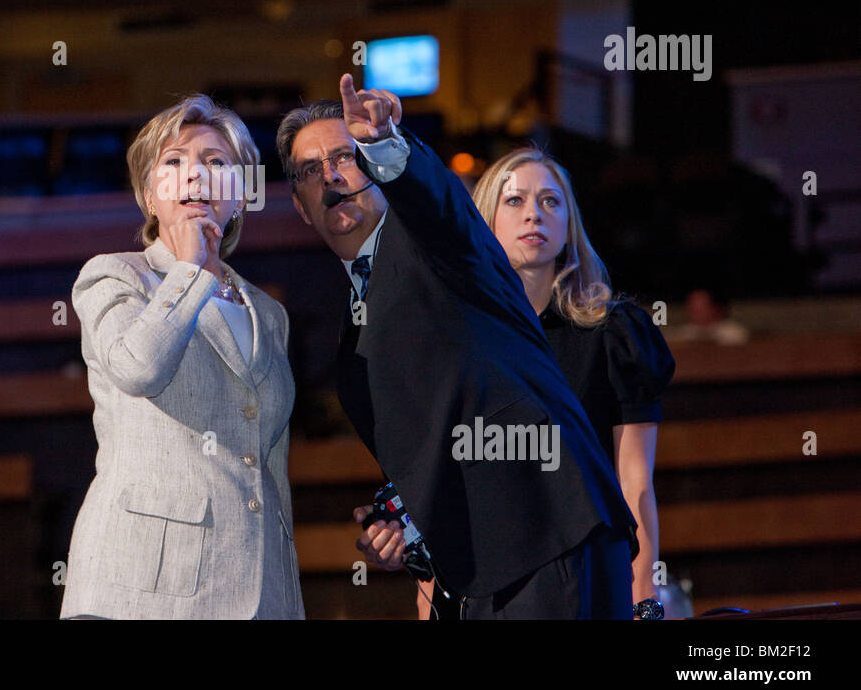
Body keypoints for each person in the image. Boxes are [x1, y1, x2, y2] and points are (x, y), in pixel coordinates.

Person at [277, 75, 639, 619]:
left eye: (345, 156)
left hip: (547, 535)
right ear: (302, 207)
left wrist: (383, 143)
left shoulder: (432, 240)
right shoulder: (351, 331)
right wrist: (404, 519)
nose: (330, 174)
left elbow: (438, 203)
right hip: (477, 571)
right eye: (310, 170)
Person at [367, 148, 674, 620]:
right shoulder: (450, 337)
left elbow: (634, 482)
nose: (534, 213)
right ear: (483, 219)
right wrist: (428, 591)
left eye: (551, 201)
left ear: (570, 223)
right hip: (478, 579)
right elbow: (437, 485)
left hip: (582, 567)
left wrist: (643, 594)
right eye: (515, 201)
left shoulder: (613, 334)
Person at [60, 94, 304, 619]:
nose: (195, 176)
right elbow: (138, 367)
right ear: (150, 195)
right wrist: (189, 270)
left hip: (256, 590)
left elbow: (269, 467)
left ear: (240, 195)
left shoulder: (269, 312)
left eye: (216, 163)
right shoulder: (116, 276)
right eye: (173, 163)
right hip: (141, 588)